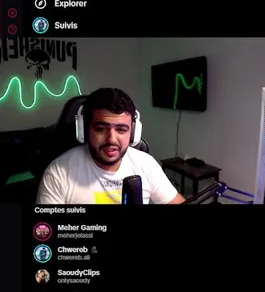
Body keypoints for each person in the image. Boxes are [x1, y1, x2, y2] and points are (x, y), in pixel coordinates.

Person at [36, 88, 185, 205]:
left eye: (121, 130)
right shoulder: (58, 173)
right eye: (101, 129)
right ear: (84, 130)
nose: (111, 139)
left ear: (133, 133)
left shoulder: (146, 164)